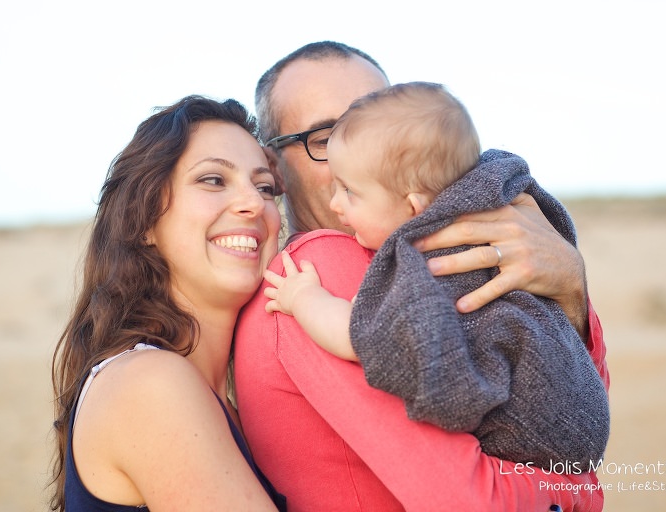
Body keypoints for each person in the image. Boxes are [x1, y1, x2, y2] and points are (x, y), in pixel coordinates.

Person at [233, 41, 610, 511]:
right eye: (328, 137)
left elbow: (559, 392)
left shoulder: (428, 252)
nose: (362, 153)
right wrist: (579, 490)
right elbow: (471, 498)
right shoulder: (322, 266)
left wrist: (569, 285)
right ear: (275, 167)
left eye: (374, 124)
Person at [49, 96, 286, 511]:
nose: (253, 203)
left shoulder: (218, 400)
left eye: (265, 187)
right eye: (213, 179)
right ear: (143, 220)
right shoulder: (149, 384)